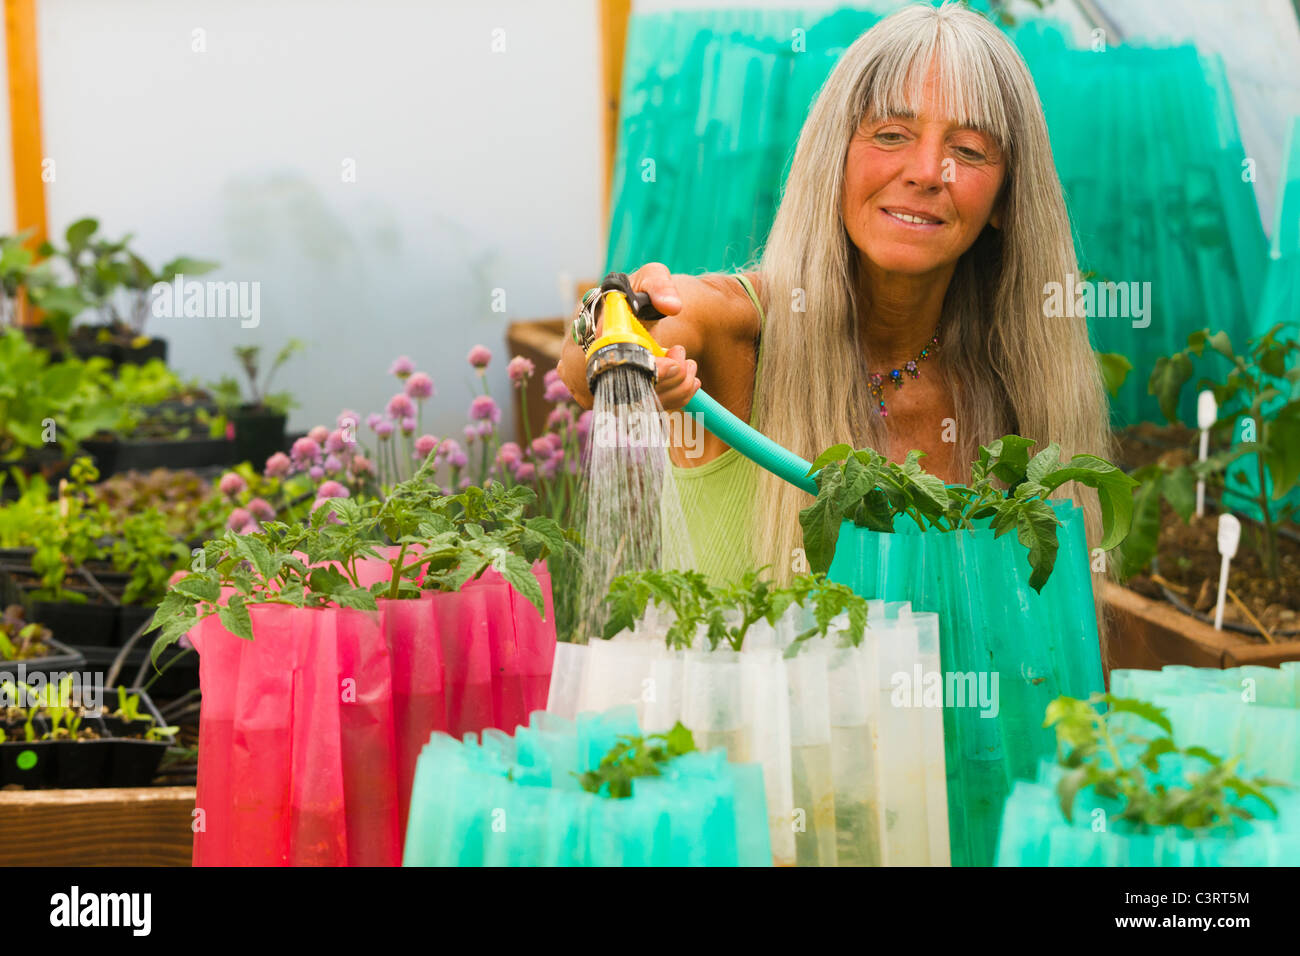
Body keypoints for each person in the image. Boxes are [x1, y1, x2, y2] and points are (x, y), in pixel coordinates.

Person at [558, 2, 1110, 594]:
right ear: (835, 160)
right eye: (891, 135)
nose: (928, 171)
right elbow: (617, 343)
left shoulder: (1017, 385)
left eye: (969, 150)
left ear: (1006, 197)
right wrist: (624, 320)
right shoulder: (741, 330)